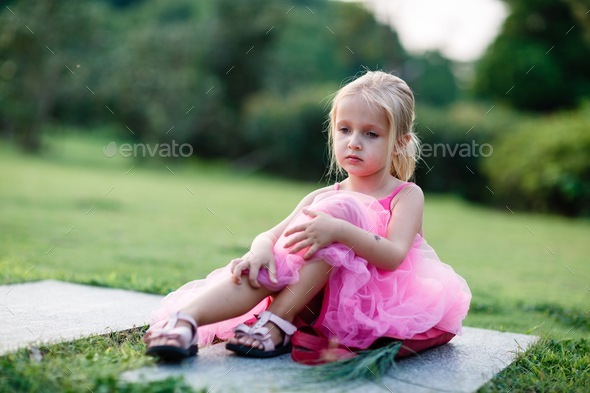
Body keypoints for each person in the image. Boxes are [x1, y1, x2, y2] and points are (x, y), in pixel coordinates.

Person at [143, 70, 471, 361]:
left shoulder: (406, 195)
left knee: (343, 213)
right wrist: (258, 251)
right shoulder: (325, 196)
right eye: (345, 129)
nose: (354, 143)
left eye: (371, 134)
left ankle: (278, 323)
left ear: (400, 143)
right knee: (266, 262)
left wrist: (340, 230)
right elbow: (271, 236)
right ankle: (185, 321)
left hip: (368, 305)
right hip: (311, 298)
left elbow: (393, 256)